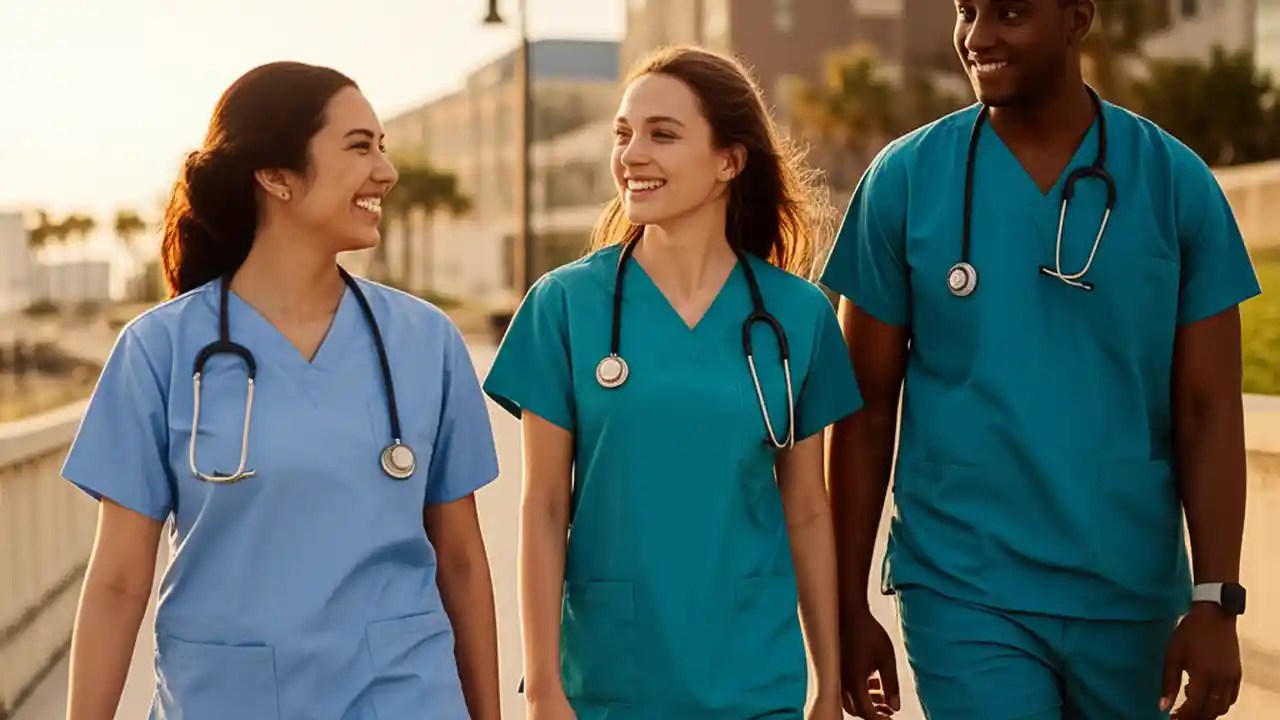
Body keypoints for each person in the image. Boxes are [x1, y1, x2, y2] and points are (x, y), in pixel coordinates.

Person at [823, 1, 1259, 718]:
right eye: (967, 11)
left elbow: (1210, 410)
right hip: (963, 585)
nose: (978, 36)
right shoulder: (905, 181)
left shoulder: (1175, 184)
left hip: (1128, 586)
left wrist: (1218, 599)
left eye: (1011, 12)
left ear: (1077, 19)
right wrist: (846, 602)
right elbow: (865, 407)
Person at [60, 61, 502, 719]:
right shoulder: (160, 351)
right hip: (226, 697)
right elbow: (120, 581)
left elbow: (462, 561)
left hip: (401, 697)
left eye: (382, 146)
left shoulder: (424, 341)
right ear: (275, 176)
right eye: (360, 146)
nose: (386, 171)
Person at [482, 45, 858, 720]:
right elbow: (542, 507)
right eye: (623, 134)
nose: (631, 155)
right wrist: (541, 687)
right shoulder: (565, 305)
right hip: (608, 679)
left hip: (753, 679)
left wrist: (829, 685)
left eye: (663, 134)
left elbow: (806, 508)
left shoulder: (796, 317)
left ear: (729, 162)